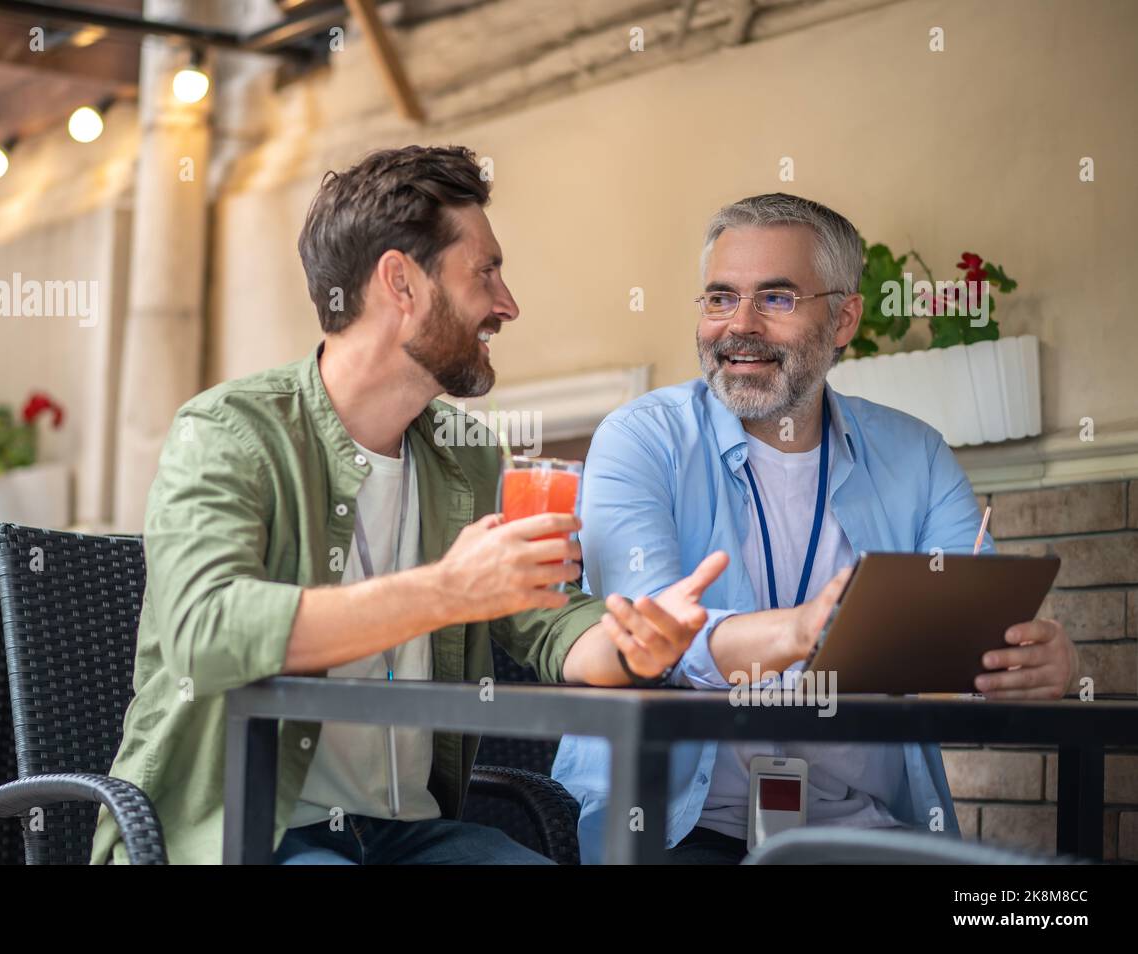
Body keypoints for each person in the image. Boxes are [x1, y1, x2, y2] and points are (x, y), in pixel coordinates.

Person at [90, 145, 727, 865]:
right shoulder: (231, 432)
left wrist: (632, 644)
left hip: (412, 835)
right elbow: (207, 633)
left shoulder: (470, 452)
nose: (507, 304)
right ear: (401, 281)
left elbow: (544, 624)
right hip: (247, 830)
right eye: (486, 271)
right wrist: (448, 589)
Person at [552, 192, 1078, 864]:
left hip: (865, 829)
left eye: (775, 299)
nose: (738, 326)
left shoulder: (915, 452)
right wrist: (802, 631)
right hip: (677, 828)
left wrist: (1030, 661)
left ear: (843, 319)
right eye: (719, 298)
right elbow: (645, 636)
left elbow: (969, 644)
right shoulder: (641, 438)